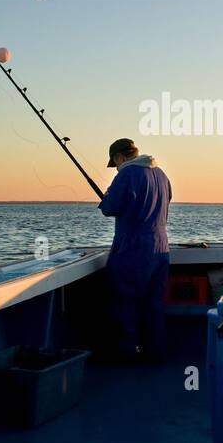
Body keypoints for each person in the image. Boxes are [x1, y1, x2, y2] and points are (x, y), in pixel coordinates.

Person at [98, 138, 172, 363]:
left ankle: (127, 354)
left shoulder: (126, 174)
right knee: (154, 303)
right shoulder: (161, 174)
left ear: (119, 157)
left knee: (126, 302)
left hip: (132, 249)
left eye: (115, 162)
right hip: (161, 247)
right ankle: (155, 353)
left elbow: (109, 208)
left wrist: (109, 193)